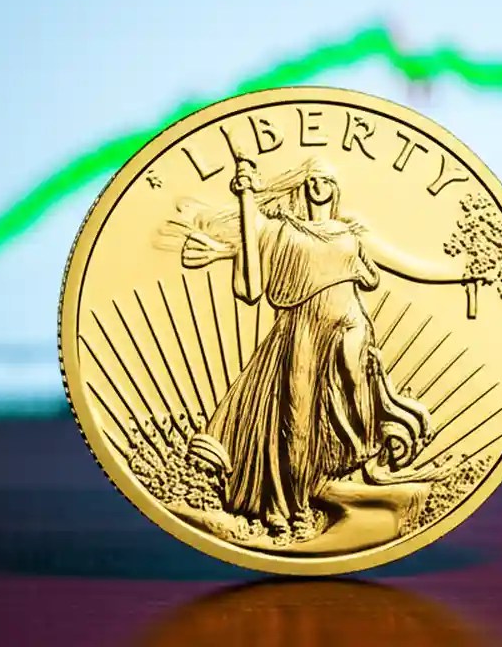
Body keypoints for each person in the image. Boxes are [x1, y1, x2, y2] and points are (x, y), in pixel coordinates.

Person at [161, 155, 458, 531]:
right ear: (303, 186)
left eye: (328, 180)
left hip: (349, 327)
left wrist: (460, 275)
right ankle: (291, 508)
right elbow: (250, 287)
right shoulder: (281, 231)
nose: (320, 186)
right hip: (301, 333)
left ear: (336, 189)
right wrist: (246, 197)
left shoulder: (351, 234)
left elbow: (407, 265)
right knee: (295, 422)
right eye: (313, 179)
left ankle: (345, 470)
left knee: (354, 397)